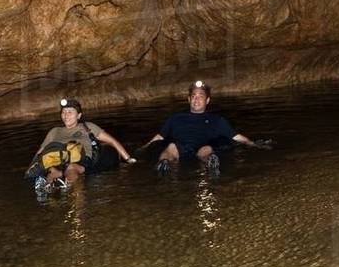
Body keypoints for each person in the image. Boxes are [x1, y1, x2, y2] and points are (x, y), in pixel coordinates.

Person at [139, 81, 270, 175]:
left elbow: (236, 136)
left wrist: (252, 143)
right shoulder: (175, 118)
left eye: (200, 96)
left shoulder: (217, 120)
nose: (196, 100)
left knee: (206, 149)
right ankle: (164, 163)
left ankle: (211, 163)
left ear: (207, 100)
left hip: (202, 146)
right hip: (180, 147)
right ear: (189, 99)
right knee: (171, 147)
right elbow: (160, 136)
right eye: (194, 96)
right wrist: (144, 148)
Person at [27, 98, 136, 193]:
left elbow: (112, 141)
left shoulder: (87, 127)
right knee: (51, 169)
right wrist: (30, 170)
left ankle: (71, 196)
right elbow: (40, 152)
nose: (66, 115)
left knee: (71, 167)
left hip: (79, 159)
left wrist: (128, 158)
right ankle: (49, 190)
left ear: (79, 115)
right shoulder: (54, 131)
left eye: (70, 112)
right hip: (57, 160)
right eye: (63, 112)